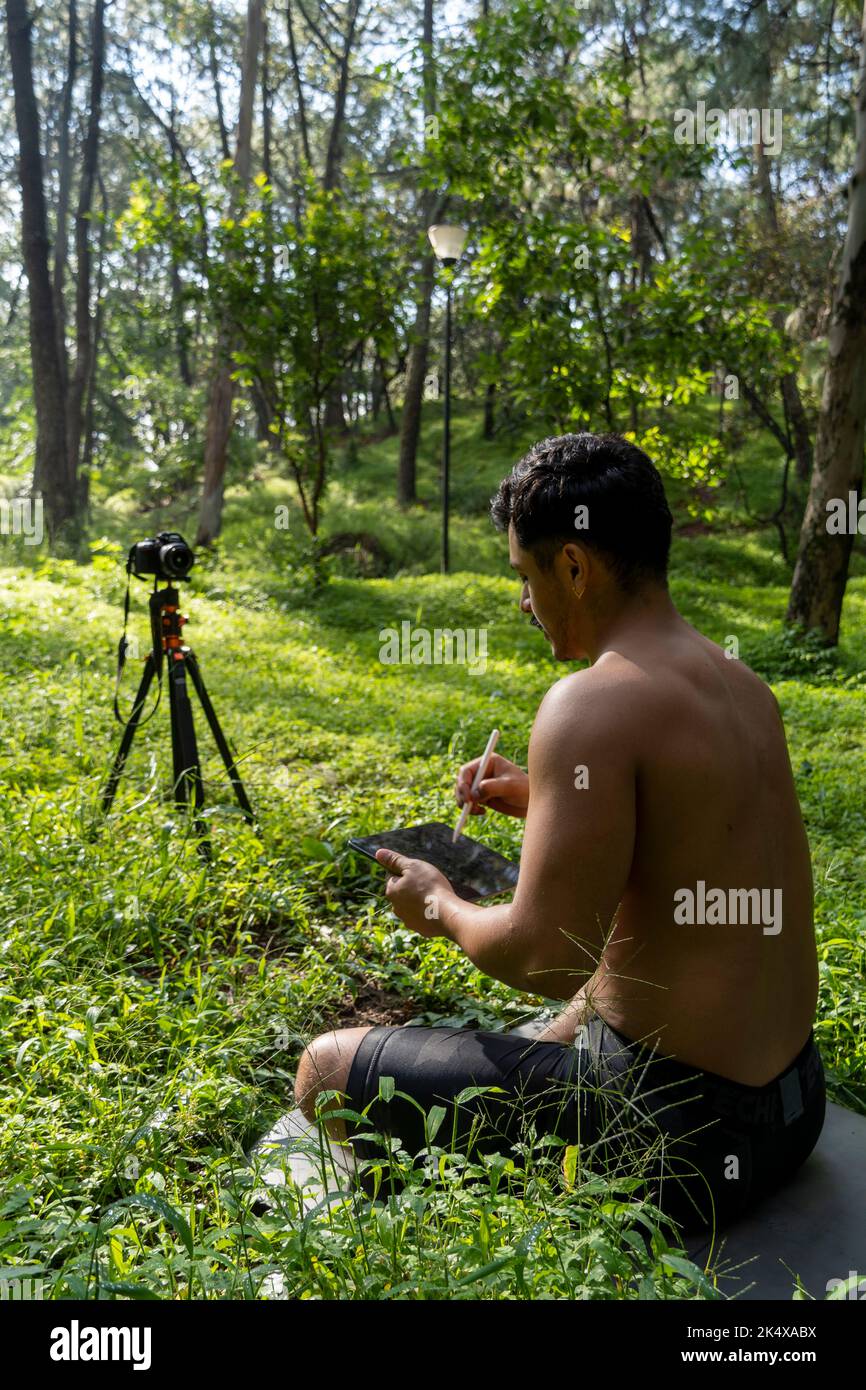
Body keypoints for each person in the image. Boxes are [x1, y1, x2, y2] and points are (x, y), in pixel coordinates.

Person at [294, 432, 826, 1234]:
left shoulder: (588, 703)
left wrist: (437, 904)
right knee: (588, 999)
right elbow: (686, 834)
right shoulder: (744, 686)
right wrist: (546, 795)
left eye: (524, 575)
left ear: (573, 567)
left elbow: (543, 956)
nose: (523, 602)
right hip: (793, 1111)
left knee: (325, 1068)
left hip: (678, 1150)